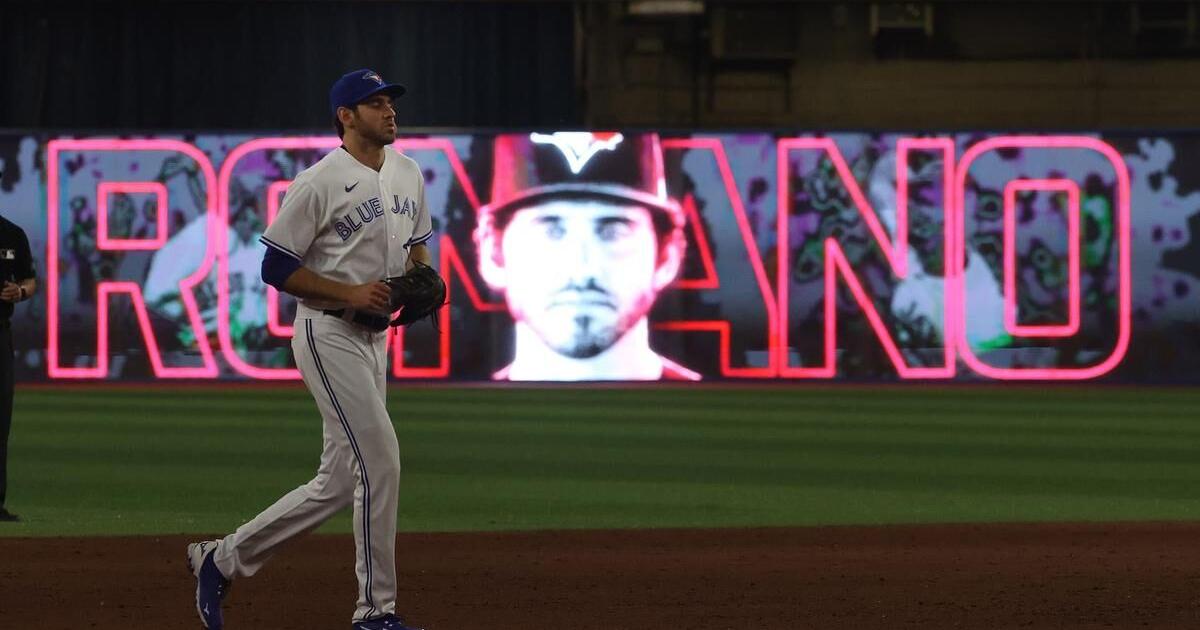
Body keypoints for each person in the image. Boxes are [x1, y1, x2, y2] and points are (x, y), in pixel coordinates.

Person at [186, 69, 432, 630]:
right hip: (328, 332)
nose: (390, 110)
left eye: (390, 100)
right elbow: (275, 266)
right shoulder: (318, 182)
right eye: (375, 103)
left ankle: (221, 560)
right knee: (382, 461)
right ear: (345, 116)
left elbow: (418, 249)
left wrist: (425, 279)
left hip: (376, 339)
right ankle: (375, 612)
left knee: (340, 482)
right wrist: (348, 291)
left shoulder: (408, 172)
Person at [474, 132, 699, 381]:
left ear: (667, 256)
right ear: (493, 253)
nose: (581, 271)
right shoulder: (465, 416)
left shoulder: (706, 411)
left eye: (613, 232)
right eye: (551, 231)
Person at [0, 178, 36, 523]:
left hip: (0, 333)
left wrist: (20, 293)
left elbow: (30, 280)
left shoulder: (12, 235)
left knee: (1, 419)